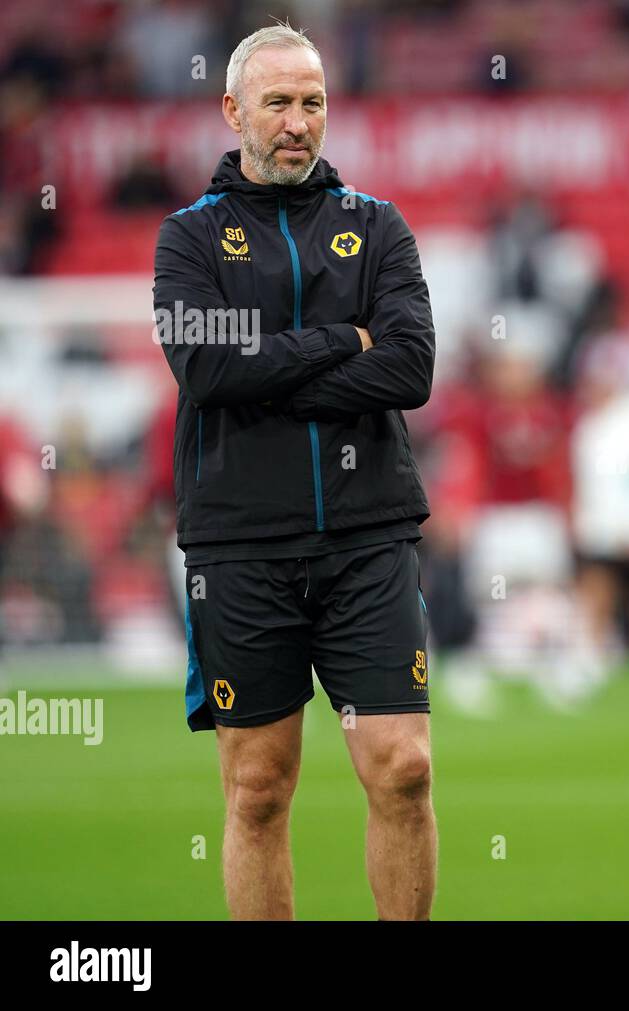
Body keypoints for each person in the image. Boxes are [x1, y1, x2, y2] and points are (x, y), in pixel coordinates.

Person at [153, 22, 437, 920]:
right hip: (241, 544)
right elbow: (207, 370)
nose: (297, 122)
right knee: (259, 789)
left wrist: (271, 368)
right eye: (278, 102)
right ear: (233, 109)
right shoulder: (188, 238)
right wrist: (337, 344)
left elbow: (410, 370)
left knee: (404, 766)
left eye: (312, 102)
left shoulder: (377, 226)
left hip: (369, 537)